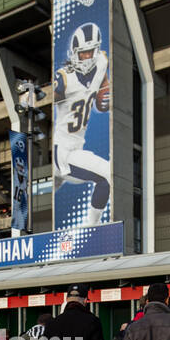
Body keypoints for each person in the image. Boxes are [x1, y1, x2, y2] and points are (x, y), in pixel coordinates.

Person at [53, 23, 112, 227]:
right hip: (62, 152)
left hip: (76, 149)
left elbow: (102, 78)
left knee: (46, 194)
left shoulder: (101, 62)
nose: (86, 57)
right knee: (107, 173)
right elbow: (51, 96)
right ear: (74, 53)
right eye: (82, 53)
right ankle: (92, 228)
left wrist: (104, 90)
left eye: (89, 52)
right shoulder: (64, 78)